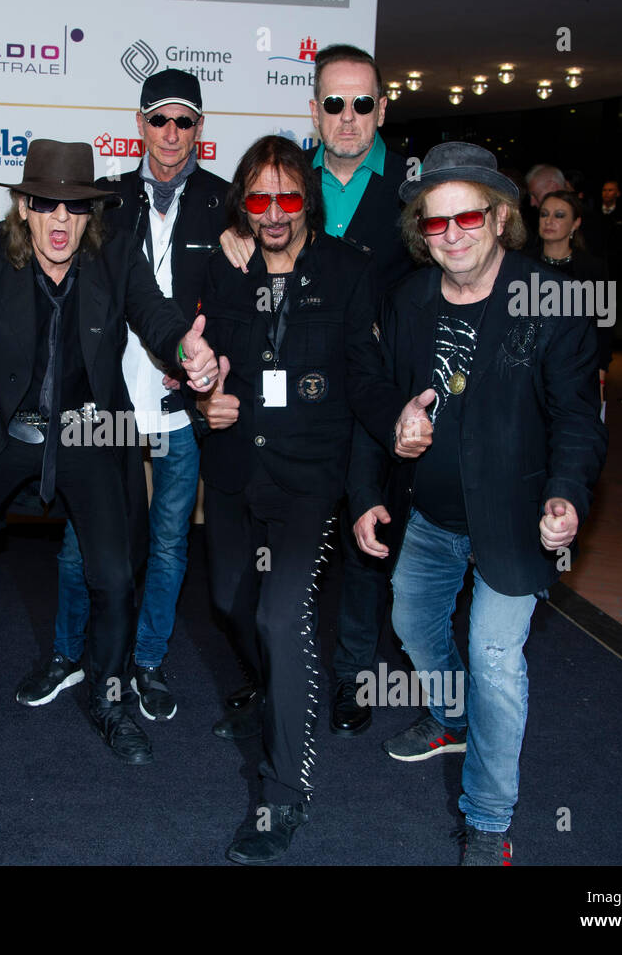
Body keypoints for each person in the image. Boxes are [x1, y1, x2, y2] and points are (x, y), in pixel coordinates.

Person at [0, 139, 218, 775]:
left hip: (91, 433)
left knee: (117, 577)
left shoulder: (116, 254)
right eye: (47, 206)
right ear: (23, 208)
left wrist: (186, 347)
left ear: (90, 214)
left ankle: (108, 696)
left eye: (75, 208)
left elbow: (155, 316)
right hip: (0, 433)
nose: (61, 222)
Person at [349, 142, 607, 864]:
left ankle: (488, 822)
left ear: (499, 218)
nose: (453, 234)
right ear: (421, 232)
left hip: (516, 519)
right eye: (436, 224)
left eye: (467, 218)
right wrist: (370, 493)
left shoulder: (547, 299)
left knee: (495, 655)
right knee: (409, 620)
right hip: (428, 514)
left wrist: (565, 493)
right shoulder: (408, 301)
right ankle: (448, 714)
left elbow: (579, 417)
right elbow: (384, 408)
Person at [196, 134, 406, 864]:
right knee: (229, 601)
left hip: (310, 479)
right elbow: (200, 365)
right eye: (260, 197)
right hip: (231, 472)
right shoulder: (225, 269)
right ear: (243, 203)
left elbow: (368, 380)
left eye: (289, 197)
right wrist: (204, 403)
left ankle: (283, 795)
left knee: (282, 616)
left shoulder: (348, 271)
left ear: (306, 199)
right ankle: (268, 689)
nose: (275, 212)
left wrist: (395, 428)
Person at [14, 69, 228, 721]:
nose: (170, 133)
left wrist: (194, 353)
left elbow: (235, 303)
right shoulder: (96, 199)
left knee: (167, 541)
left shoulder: (225, 203)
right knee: (84, 542)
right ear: (139, 125)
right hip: (103, 402)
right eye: (158, 119)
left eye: (184, 121)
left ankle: (148, 661)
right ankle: (67, 653)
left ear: (199, 130)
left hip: (180, 403)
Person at [216, 43, 414, 741]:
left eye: (363, 103)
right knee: (266, 570)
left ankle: (352, 672)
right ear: (315, 110)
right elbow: (250, 223)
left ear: (381, 109)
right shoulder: (289, 178)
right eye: (335, 103)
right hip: (288, 402)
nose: (349, 117)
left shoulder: (408, 197)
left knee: (368, 531)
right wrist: (233, 232)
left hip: (369, 385)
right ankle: (278, 669)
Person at [538, 189, 611, 399]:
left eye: (559, 215)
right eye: (544, 214)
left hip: (575, 366)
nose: (549, 221)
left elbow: (604, 324)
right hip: (529, 367)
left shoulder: (594, 268)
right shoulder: (520, 265)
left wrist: (601, 372)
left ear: (575, 223)